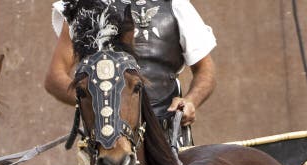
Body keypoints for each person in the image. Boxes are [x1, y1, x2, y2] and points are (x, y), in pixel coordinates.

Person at [45, 0, 217, 147]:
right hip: (107, 138)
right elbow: (55, 77)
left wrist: (190, 101)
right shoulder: (82, 6)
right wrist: (93, 100)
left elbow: (205, 69)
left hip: (167, 135)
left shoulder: (175, 4)